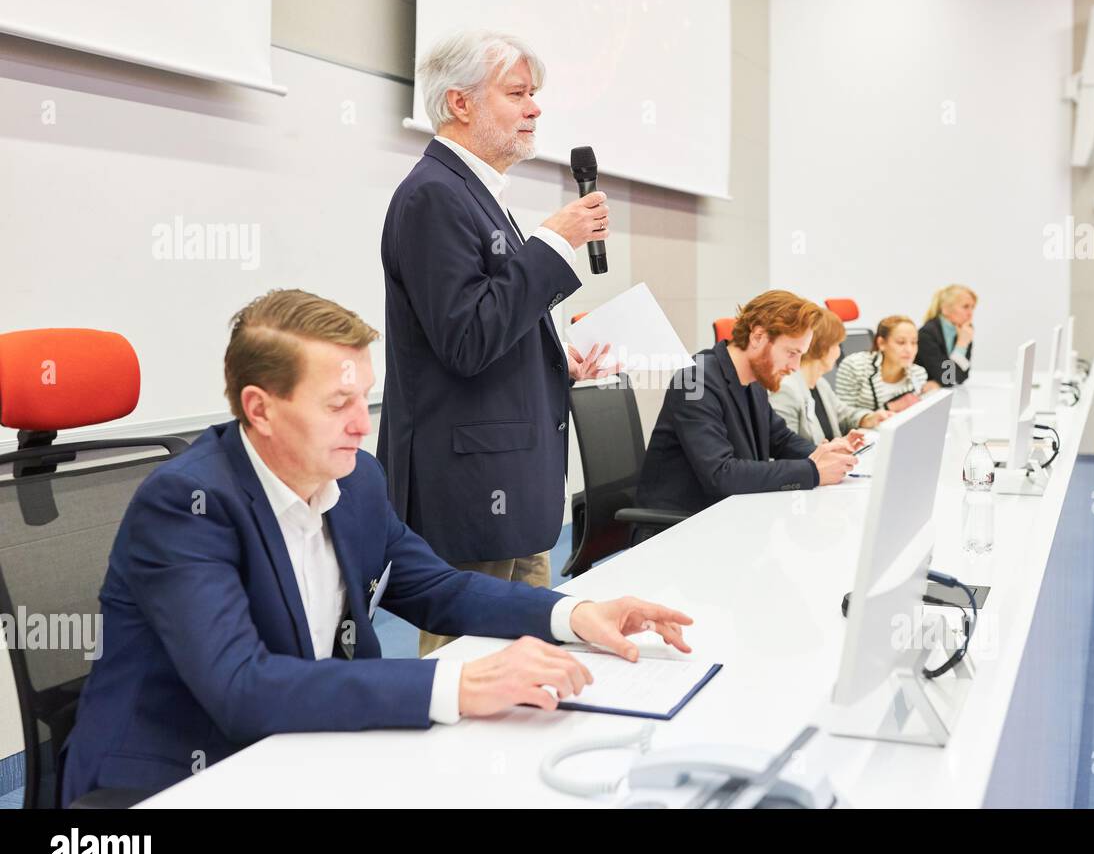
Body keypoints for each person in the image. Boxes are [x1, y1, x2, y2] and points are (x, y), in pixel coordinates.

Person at [61, 290, 691, 804]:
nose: (364, 425)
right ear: (261, 409)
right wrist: (457, 682)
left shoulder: (356, 480)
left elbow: (436, 588)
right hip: (173, 779)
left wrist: (574, 614)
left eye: (365, 397)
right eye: (339, 404)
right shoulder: (186, 505)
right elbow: (240, 687)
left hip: (307, 749)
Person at [377, 30, 618, 658]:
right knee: (472, 670)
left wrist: (553, 357)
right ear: (460, 104)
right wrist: (552, 244)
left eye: (533, 94)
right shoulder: (434, 194)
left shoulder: (474, 193)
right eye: (517, 94)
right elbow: (465, 339)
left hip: (512, 481)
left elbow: (490, 318)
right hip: (473, 484)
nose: (535, 108)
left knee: (527, 661)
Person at [633, 291, 861, 542]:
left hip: (723, 522)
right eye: (791, 352)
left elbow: (781, 439)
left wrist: (825, 455)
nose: (796, 366)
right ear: (758, 336)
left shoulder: (753, 380)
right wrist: (812, 471)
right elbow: (721, 474)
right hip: (676, 533)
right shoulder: (695, 381)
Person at [770, 308, 890, 443]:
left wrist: (867, 418)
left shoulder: (820, 383)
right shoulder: (786, 389)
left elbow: (841, 413)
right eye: (837, 345)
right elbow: (785, 450)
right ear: (823, 347)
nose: (839, 352)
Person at [835, 315, 939, 414]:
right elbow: (843, 419)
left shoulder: (919, 373)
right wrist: (889, 408)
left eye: (914, 342)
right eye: (901, 342)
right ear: (881, 343)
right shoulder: (854, 366)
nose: (909, 350)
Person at [916, 284, 977, 386]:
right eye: (965, 307)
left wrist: (939, 383)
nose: (970, 313)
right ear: (945, 309)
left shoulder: (964, 331)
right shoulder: (927, 334)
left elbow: (963, 376)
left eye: (972, 307)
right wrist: (961, 344)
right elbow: (948, 378)